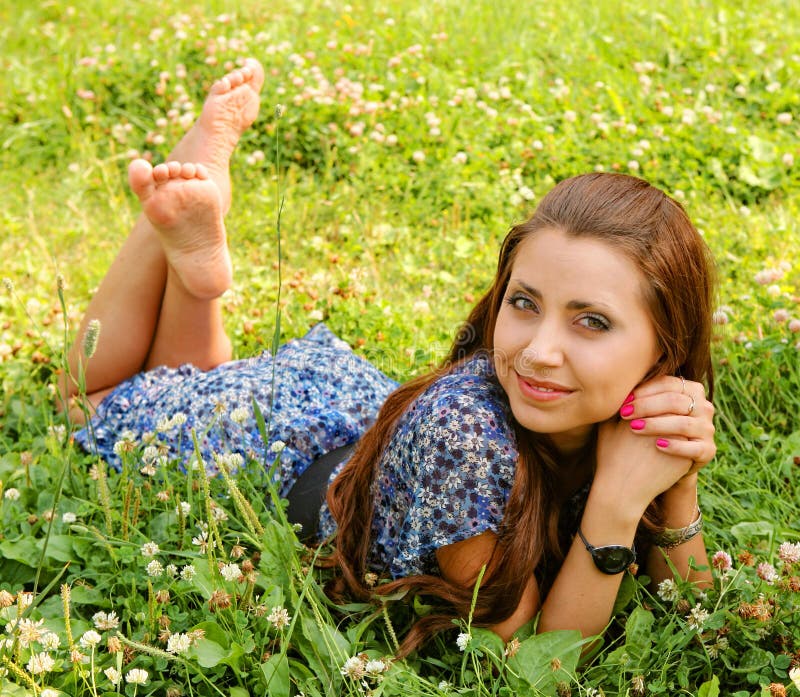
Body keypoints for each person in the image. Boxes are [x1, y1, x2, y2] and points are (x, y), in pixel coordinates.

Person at [62, 58, 717, 657]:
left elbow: (694, 610)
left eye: (592, 321)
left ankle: (195, 279)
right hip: (282, 446)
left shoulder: (639, 405)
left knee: (189, 376)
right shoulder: (466, 435)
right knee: (83, 399)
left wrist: (677, 480)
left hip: (360, 417)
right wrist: (616, 505)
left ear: (665, 346)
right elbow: (529, 662)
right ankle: (169, 220)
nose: (540, 351)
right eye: (524, 303)